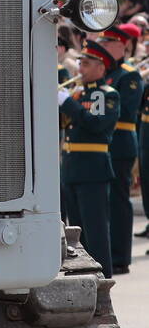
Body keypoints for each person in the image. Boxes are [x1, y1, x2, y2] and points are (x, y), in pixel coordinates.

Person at [60, 41, 120, 277]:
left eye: (86, 64)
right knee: (76, 230)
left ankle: (102, 276)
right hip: (72, 167)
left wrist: (68, 104)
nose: (80, 69)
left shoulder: (106, 94)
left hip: (93, 169)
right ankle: (81, 273)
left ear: (101, 68)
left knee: (95, 229)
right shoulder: (77, 93)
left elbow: (96, 124)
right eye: (80, 63)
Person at [96, 24, 143, 273]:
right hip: (104, 144)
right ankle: (108, 252)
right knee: (106, 202)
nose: (102, 48)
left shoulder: (129, 75)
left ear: (120, 46)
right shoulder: (106, 73)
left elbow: (125, 110)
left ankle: (121, 256)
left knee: (118, 200)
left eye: (107, 44)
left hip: (121, 143)